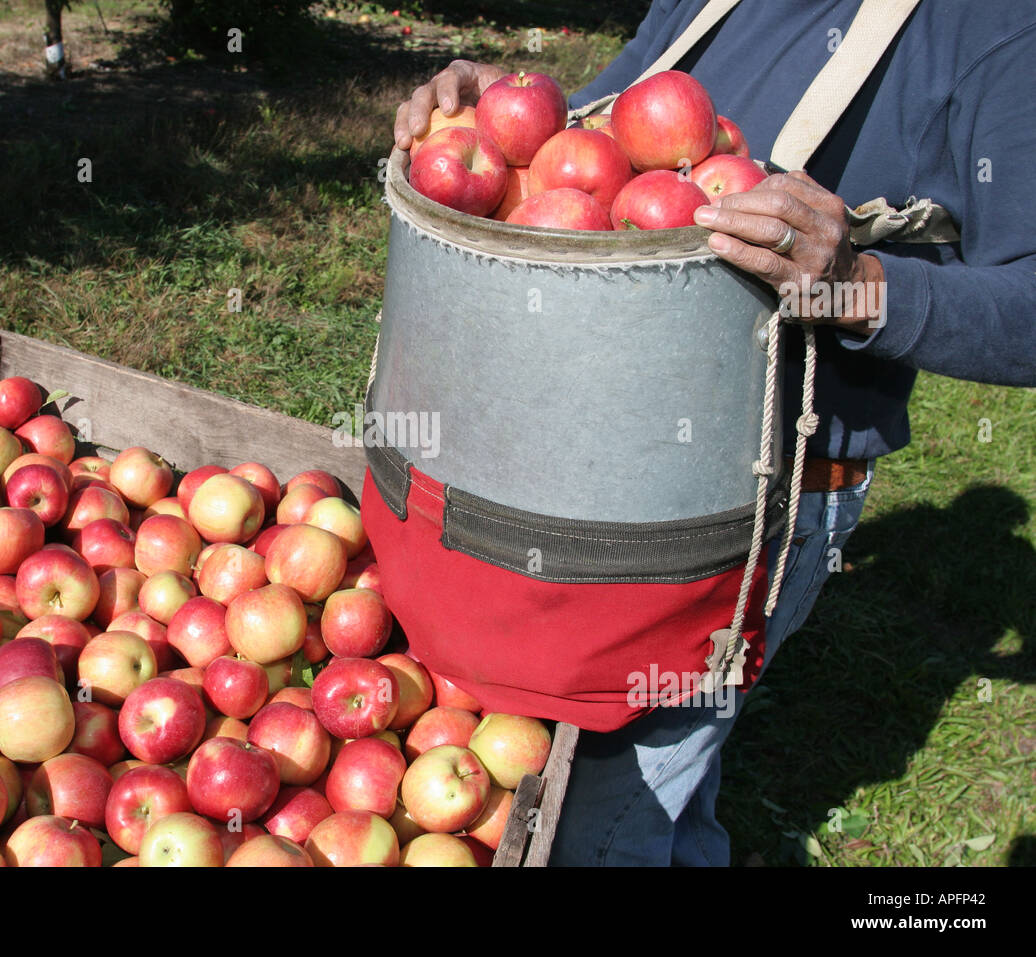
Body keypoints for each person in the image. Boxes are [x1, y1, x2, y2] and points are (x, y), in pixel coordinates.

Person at [391, 0, 1036, 865]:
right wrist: (500, 131)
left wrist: (854, 281)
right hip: (578, 463)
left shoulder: (991, 27)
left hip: (740, 504)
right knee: (630, 792)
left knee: (601, 826)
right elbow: (608, 128)